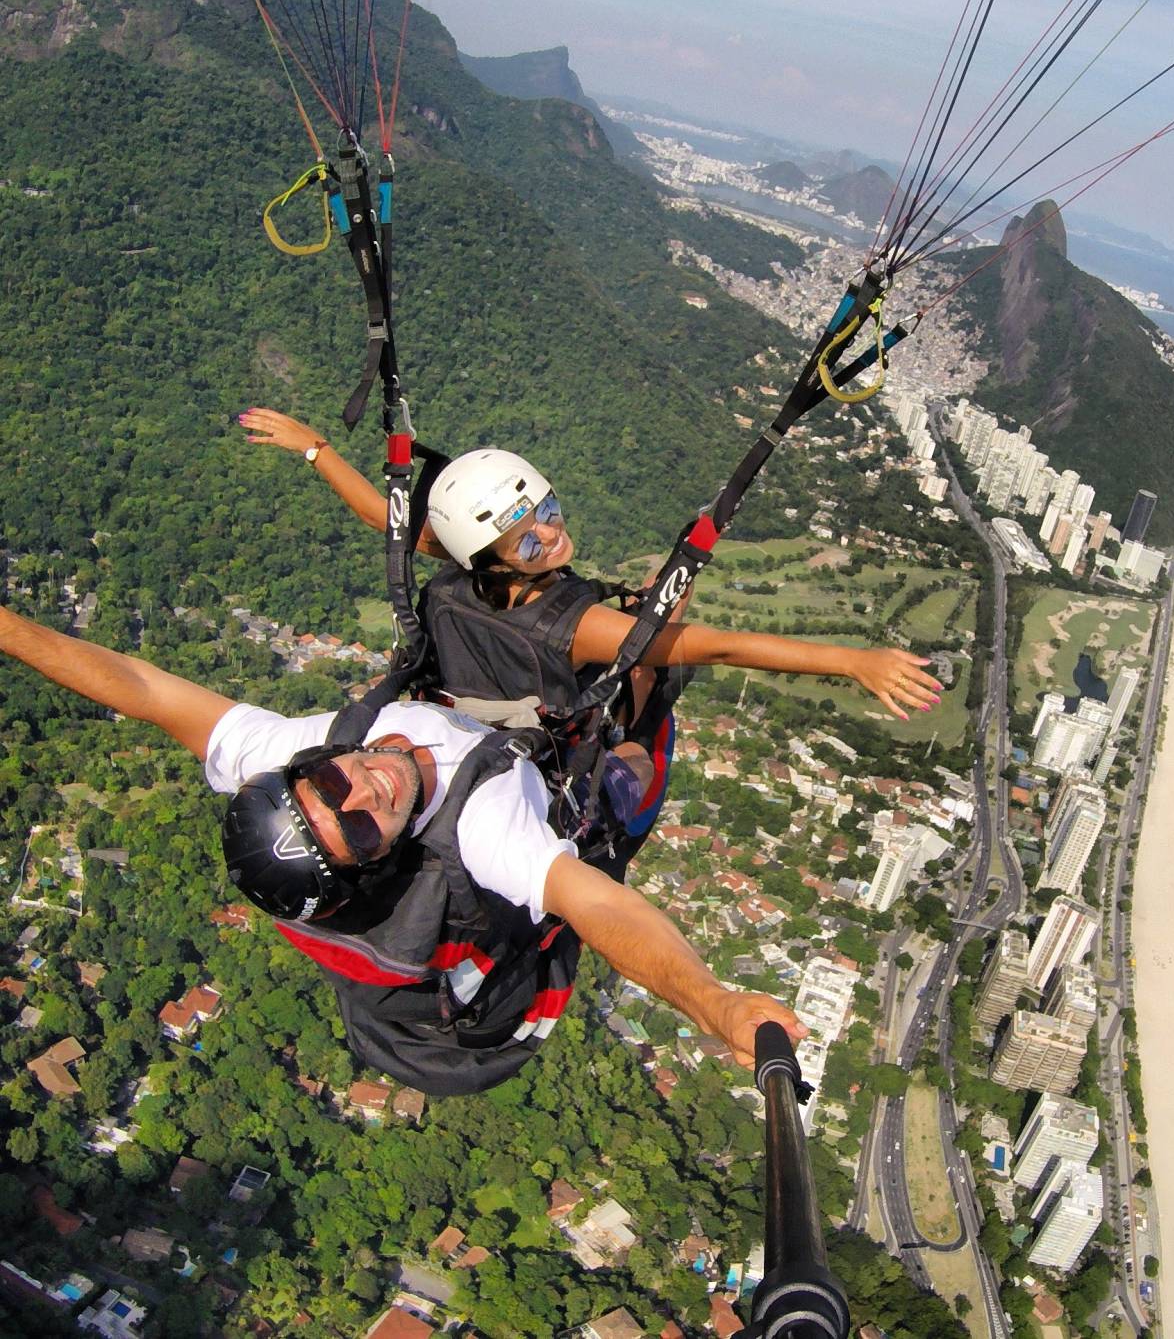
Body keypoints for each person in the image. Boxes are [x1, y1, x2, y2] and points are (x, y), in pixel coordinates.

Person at [0, 601, 806, 1094]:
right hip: (563, 801)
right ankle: (653, 701)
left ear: (304, 765)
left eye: (329, 781)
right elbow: (602, 909)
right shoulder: (485, 828)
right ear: (379, 861)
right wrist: (713, 1003)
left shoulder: (284, 753)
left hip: (488, 726)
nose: (364, 789)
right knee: (639, 742)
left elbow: (140, 689)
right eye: (357, 830)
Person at [237, 408, 945, 723]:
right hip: (540, 723)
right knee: (650, 659)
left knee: (652, 609)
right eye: (528, 541)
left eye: (546, 510)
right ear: (494, 558)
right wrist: (852, 661)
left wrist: (314, 448)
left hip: (468, 701)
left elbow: (384, 517)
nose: (550, 536)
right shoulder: (582, 629)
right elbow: (720, 647)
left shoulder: (463, 570)